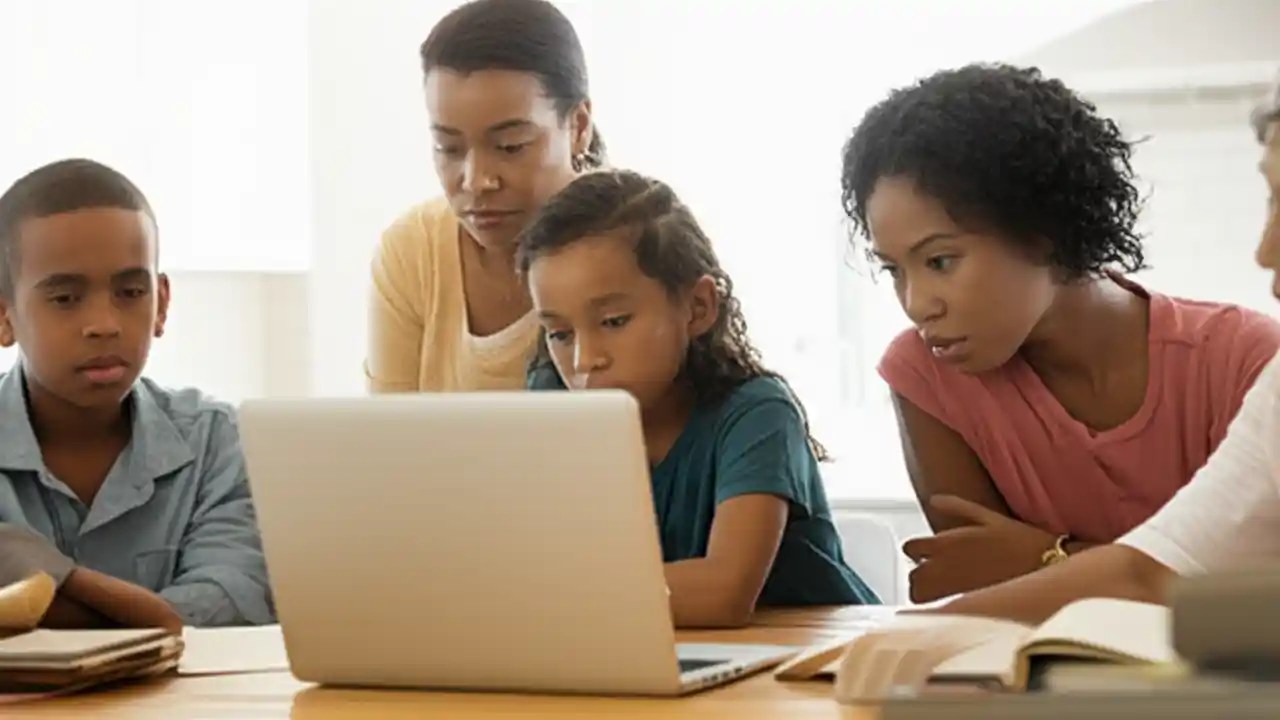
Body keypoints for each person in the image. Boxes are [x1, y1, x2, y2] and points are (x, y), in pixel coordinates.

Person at [839, 63, 1280, 602]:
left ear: (1043, 230)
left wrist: (1048, 556)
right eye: (894, 270)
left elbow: (1251, 601)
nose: (916, 304)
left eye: (940, 261)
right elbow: (977, 574)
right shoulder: (924, 373)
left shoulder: (1243, 359)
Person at [518, 169, 878, 628]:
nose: (584, 360)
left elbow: (721, 594)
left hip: (813, 667)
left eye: (613, 321)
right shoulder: (553, 406)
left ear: (698, 307)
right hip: (663, 657)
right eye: (560, 334)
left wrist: (536, 594)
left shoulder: (757, 413)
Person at [0, 158, 273, 629]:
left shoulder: (218, 443)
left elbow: (220, 617)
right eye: (64, 298)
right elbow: (174, 622)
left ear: (162, 303)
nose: (104, 325)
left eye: (130, 292)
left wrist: (53, 576)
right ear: (4, 317)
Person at [365, 0, 605, 393]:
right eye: (449, 149)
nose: (477, 182)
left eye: (510, 146)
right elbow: (384, 442)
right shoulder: (413, 252)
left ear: (578, 127)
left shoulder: (636, 247)